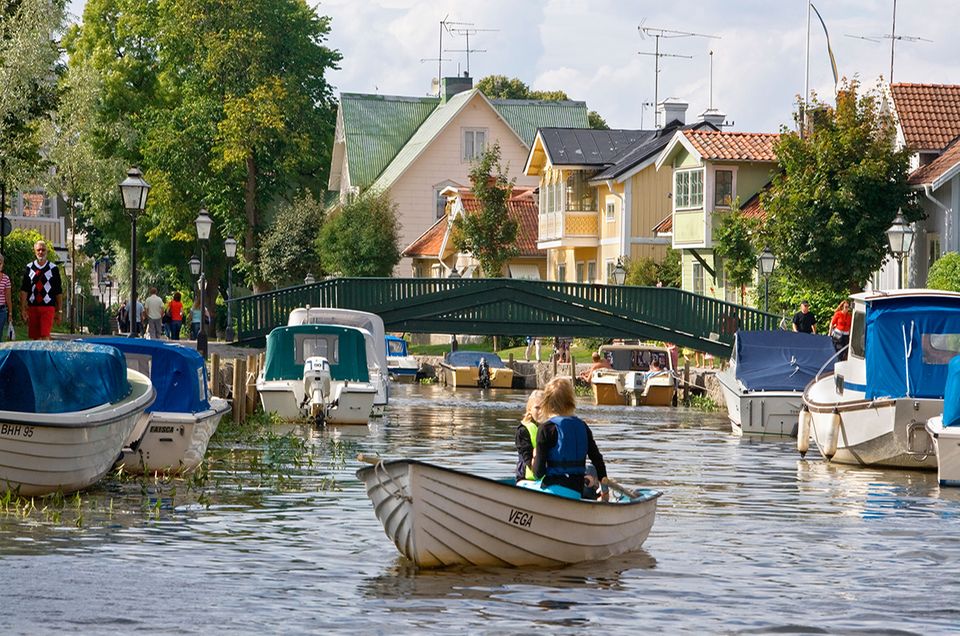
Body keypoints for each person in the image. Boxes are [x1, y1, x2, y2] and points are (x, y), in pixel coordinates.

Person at [532, 377, 609, 501]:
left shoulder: (545, 429)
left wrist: (534, 458)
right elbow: (598, 461)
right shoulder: (583, 427)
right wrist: (604, 491)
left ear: (547, 402)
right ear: (570, 401)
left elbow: (538, 473)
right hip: (575, 492)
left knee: (526, 485)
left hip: (552, 491)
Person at [19, 241, 62, 340]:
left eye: (43, 250)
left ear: (46, 252)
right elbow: (24, 290)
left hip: (48, 307)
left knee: (45, 336)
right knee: (35, 338)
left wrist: (59, 311)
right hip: (33, 307)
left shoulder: (53, 268)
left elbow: (58, 291)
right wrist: (23, 309)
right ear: (35, 252)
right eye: (38, 250)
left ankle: (44, 355)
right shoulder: (29, 268)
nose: (41, 252)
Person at [515, 390, 544, 483]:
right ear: (529, 409)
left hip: (545, 479)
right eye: (537, 408)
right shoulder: (523, 430)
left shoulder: (550, 428)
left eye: (544, 408)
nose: (541, 411)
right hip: (527, 479)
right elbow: (527, 458)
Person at [0, 254, 12, 341]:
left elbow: (8, 297)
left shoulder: (6, 278)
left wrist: (10, 313)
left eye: (0, 263)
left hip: (2, 311)